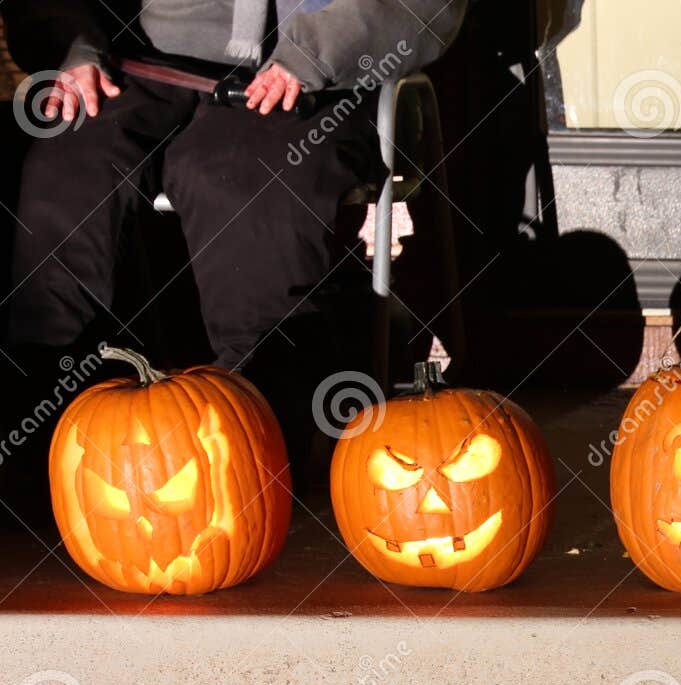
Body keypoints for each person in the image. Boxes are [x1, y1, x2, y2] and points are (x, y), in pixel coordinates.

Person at [2, 0, 468, 506]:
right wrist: (75, 46)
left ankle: (254, 446)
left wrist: (312, 53)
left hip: (322, 69)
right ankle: (55, 435)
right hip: (142, 62)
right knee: (68, 172)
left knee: (237, 177)